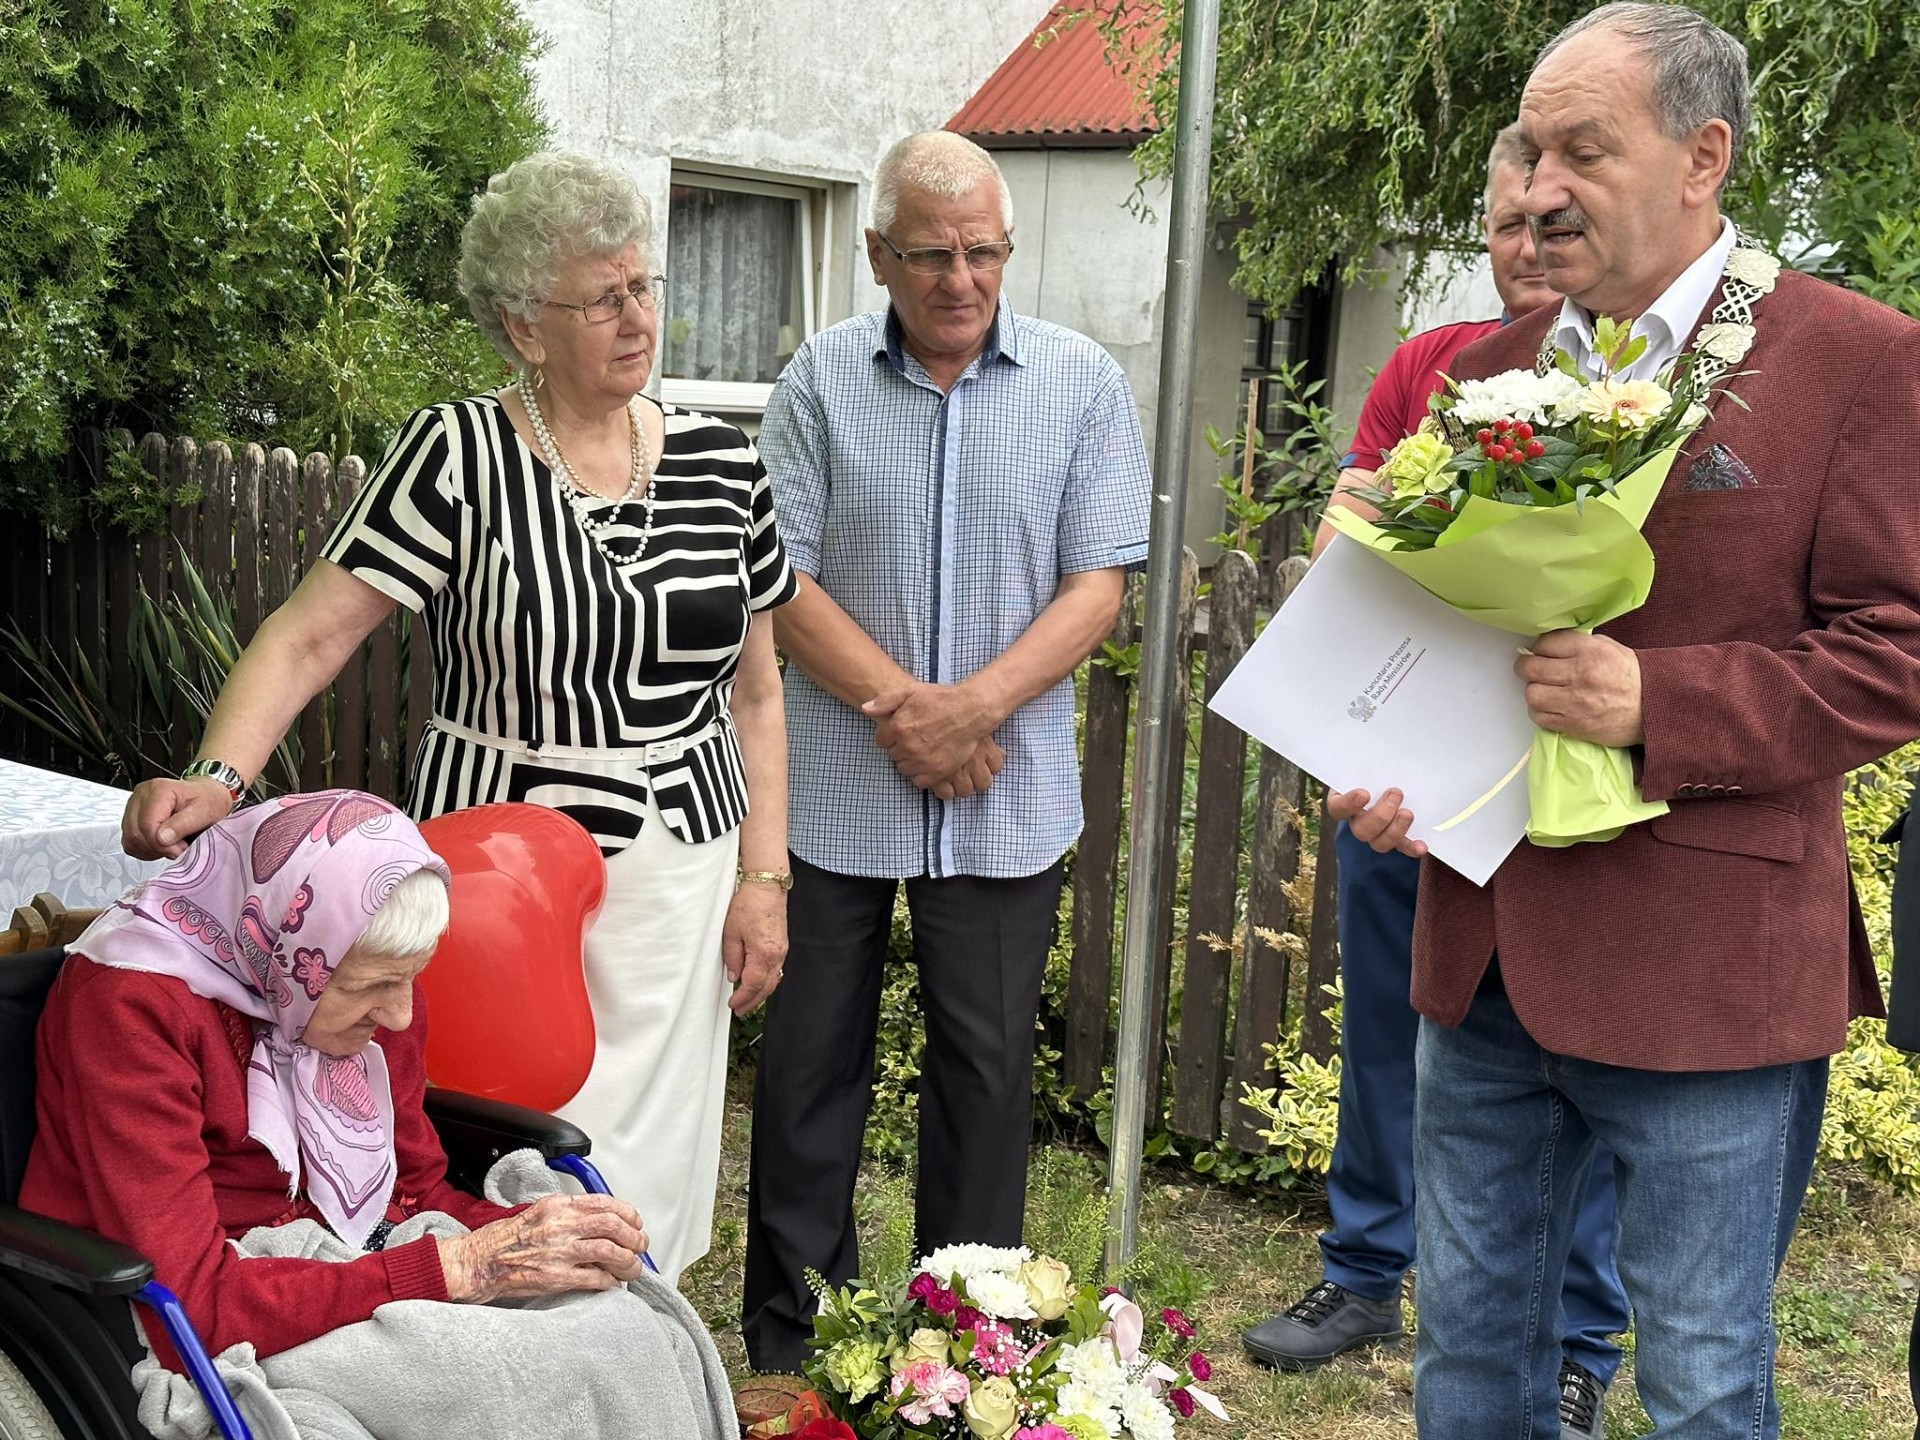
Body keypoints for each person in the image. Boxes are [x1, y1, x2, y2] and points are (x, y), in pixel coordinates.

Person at [1332, 6, 1920, 1435]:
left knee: (1705, 1382)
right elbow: (1439, 630)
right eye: (1531, 151)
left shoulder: (1858, 360)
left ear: (1703, 155)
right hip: (1485, 959)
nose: (1536, 188)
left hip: (1708, 969)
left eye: (1580, 150)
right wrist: (1384, 768)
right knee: (1470, 1360)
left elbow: (1897, 653)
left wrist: (1661, 697)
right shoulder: (1480, 372)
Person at [118, 150, 798, 1283]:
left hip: (685, 865)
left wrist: (764, 880)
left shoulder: (725, 463)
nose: (638, 319)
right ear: (526, 328)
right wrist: (220, 781)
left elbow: (759, 690)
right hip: (499, 870)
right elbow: (312, 634)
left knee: (658, 1160)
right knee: (501, 1130)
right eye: (604, 298)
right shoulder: (456, 455)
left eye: (644, 287)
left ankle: (638, 1334)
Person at [740, 130, 1153, 1373]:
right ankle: (794, 1341)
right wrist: (908, 714)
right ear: (879, 254)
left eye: (982, 253)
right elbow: (780, 574)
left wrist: (973, 709)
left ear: (1007, 250)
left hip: (1003, 794)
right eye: (929, 255)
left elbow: (1100, 582)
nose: (959, 279)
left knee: (983, 1074)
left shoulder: (1082, 383)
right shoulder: (815, 382)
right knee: (811, 1070)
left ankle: (965, 1346)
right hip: (831, 802)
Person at [1242, 127, 1627, 1439]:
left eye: (1550, 222)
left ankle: (1579, 1338)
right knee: (1391, 1040)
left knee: (1579, 1062)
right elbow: (1359, 564)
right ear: (1486, 232)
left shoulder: (1639, 387)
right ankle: (1364, 1275)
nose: (1530, 248)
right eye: (1508, 224)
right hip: (1407, 791)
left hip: (1565, 796)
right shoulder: (1426, 368)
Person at [23, 792, 735, 1438]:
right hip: (205, 1293)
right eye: (375, 987)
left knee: (632, 1328)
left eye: (410, 980)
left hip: (355, 1255)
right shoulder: (129, 1008)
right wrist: (459, 1266)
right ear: (288, 953)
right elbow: (196, 1303)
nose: (400, 1015)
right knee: (522, 1386)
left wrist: (535, 1238)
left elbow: (416, 1194)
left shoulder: (362, 980)